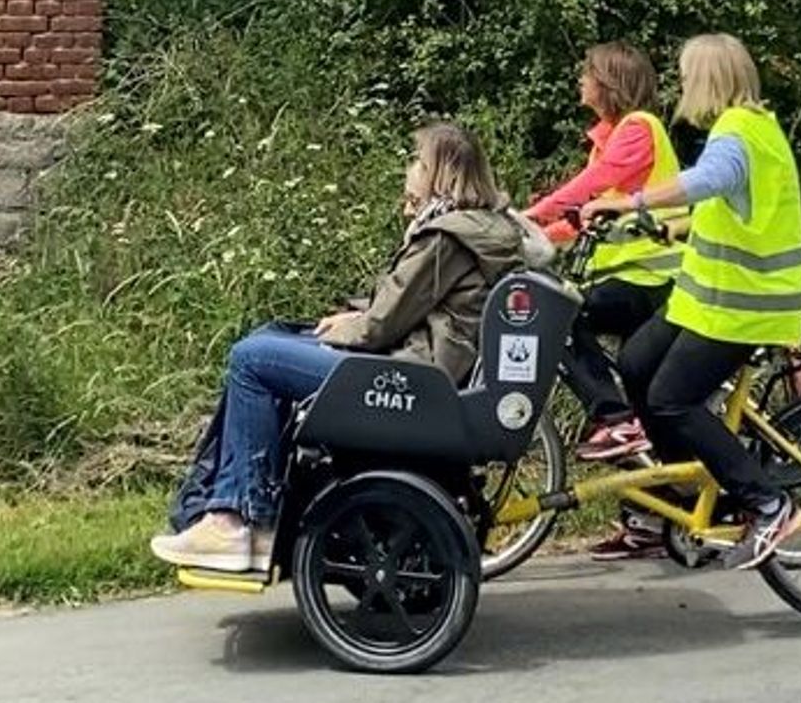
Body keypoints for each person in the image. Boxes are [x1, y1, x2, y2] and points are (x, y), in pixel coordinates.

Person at [152, 122, 538, 573]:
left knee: (251, 359)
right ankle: (239, 515)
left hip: (408, 371)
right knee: (266, 340)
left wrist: (345, 326)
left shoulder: (447, 238)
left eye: (416, 160)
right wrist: (350, 316)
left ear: (440, 172)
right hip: (420, 365)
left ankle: (236, 521)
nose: (409, 168)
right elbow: (403, 304)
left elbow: (381, 324)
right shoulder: (474, 229)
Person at [584, 33, 801, 570]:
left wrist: (632, 200)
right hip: (703, 299)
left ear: (709, 79)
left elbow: (710, 180)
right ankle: (687, 493)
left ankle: (769, 503)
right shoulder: (753, 129)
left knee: (670, 399)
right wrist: (668, 228)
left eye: (688, 76)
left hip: (743, 306)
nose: (683, 86)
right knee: (636, 364)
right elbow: (724, 205)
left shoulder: (737, 132)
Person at [524, 42, 688, 464]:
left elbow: (592, 185)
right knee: (649, 407)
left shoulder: (639, 127)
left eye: (587, 73)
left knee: (556, 315)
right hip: (630, 282)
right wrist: (531, 237)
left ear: (608, 82)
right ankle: (649, 521)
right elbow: (581, 217)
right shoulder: (611, 139)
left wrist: (528, 215)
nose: (580, 80)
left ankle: (614, 419)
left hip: (648, 280)